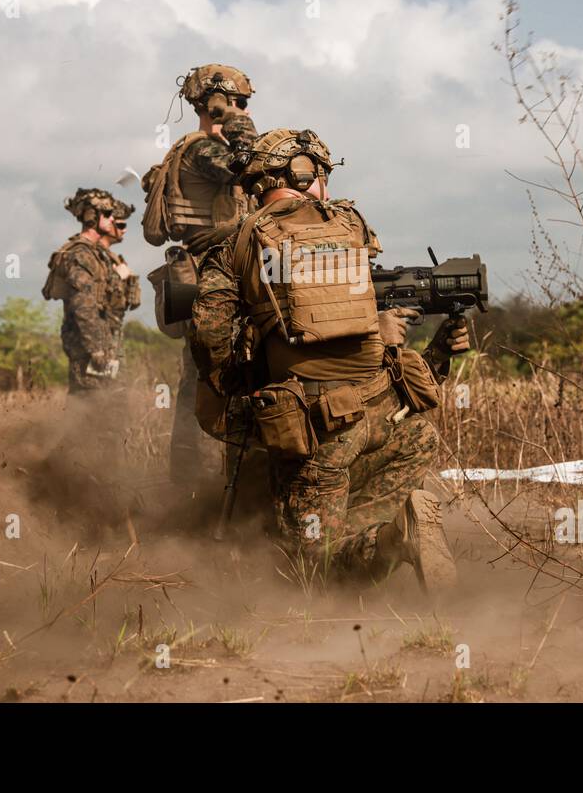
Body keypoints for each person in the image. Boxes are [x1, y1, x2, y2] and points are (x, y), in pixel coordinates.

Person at [189, 129, 470, 593]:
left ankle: (393, 537)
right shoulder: (352, 224)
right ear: (312, 174)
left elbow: (209, 330)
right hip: (399, 426)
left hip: (318, 429)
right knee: (356, 502)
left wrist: (233, 380)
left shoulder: (238, 244)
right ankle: (400, 519)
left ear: (260, 182)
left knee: (312, 569)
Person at [142, 64, 260, 491]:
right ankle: (198, 492)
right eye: (238, 102)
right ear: (214, 103)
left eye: (245, 105)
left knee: (212, 384)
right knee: (208, 386)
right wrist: (236, 123)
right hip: (212, 280)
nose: (245, 111)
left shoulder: (209, 149)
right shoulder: (202, 151)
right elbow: (241, 166)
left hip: (224, 278)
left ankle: (220, 489)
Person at [42, 187, 141, 540]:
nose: (124, 227)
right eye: (118, 219)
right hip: (93, 360)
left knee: (107, 430)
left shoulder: (108, 259)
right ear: (95, 219)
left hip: (110, 355)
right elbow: (84, 309)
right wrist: (101, 355)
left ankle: (94, 507)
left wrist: (128, 278)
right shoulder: (80, 256)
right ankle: (66, 498)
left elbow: (128, 305)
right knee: (92, 430)